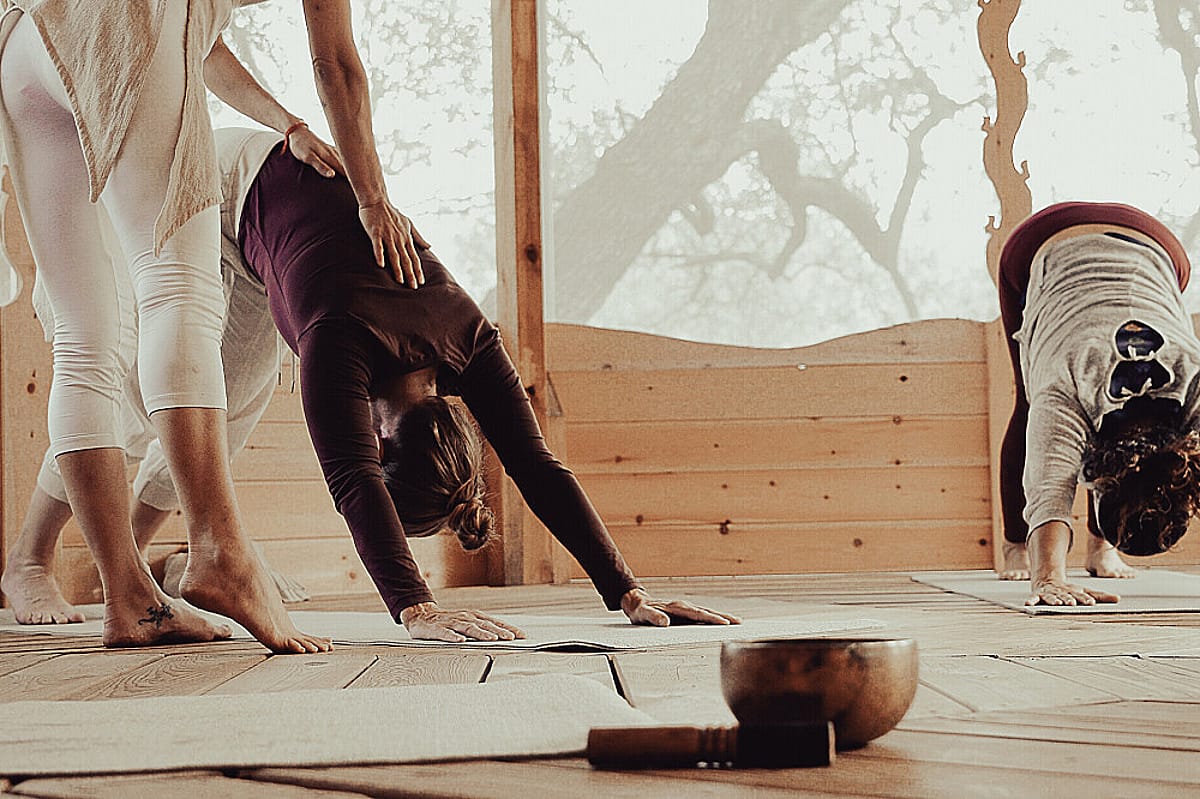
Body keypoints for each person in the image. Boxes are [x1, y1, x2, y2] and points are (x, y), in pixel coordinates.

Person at [0, 0, 413, 651]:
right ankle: (222, 550)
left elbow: (197, 41)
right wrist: (371, 197)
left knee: (85, 342)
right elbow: (337, 63)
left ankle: (130, 597)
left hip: (26, 41)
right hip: (123, 25)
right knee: (179, 292)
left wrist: (288, 123)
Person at [218, 127, 739, 641]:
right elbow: (355, 480)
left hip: (264, 228)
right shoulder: (338, 341)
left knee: (230, 405)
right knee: (191, 390)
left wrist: (629, 593)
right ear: (381, 445)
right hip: (223, 184)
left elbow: (538, 468)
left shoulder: (468, 335)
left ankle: (160, 566)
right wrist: (416, 606)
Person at [996, 201, 1200, 607]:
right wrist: (1048, 577)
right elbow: (1050, 482)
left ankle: (1100, 548)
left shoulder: (1194, 381)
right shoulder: (1066, 386)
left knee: (1041, 412)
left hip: (1157, 248)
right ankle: (1015, 545)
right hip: (1041, 241)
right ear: (1097, 476)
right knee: (1029, 405)